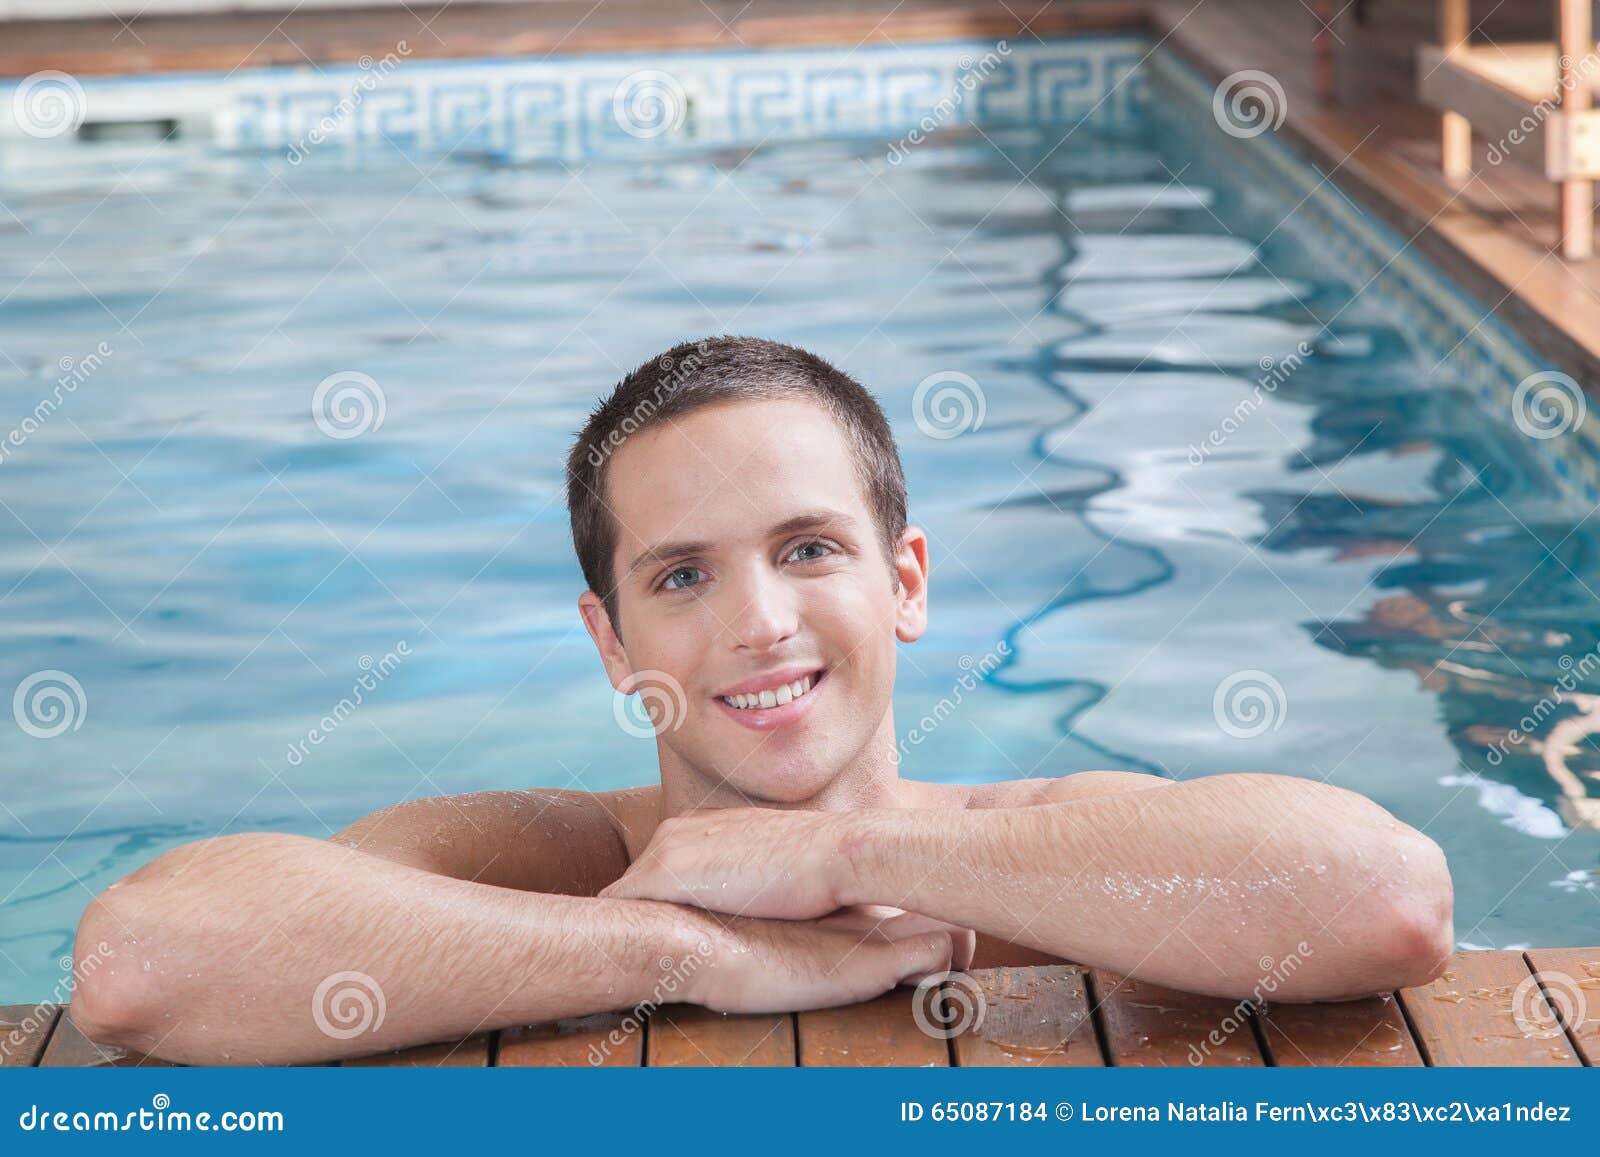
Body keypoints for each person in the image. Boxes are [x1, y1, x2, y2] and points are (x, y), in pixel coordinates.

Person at [70, 336, 1452, 1064]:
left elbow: (1387, 901)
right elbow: (144, 965)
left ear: (905, 581)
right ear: (612, 643)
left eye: (809, 549)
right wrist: (684, 952)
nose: (759, 624)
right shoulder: (557, 862)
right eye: (682, 576)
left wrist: (848, 855)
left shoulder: (1041, 842)